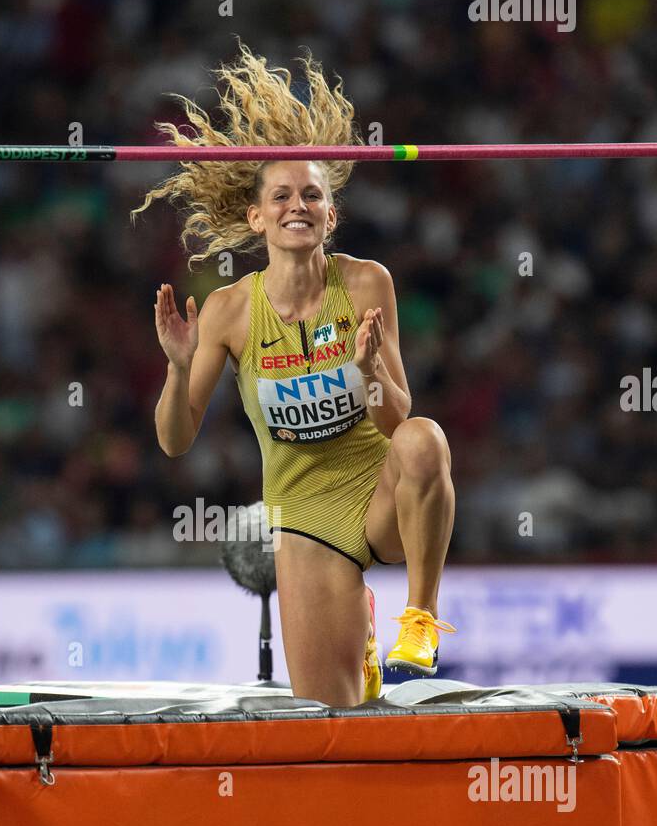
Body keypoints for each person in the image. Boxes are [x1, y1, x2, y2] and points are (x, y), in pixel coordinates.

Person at [137, 41, 456, 707]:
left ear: (330, 214)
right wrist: (174, 368)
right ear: (256, 217)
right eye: (281, 195)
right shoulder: (228, 312)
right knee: (336, 715)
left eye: (312, 194)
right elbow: (173, 441)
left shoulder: (368, 283)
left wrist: (369, 370)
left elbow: (398, 424)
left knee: (426, 437)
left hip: (380, 500)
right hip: (305, 517)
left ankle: (419, 620)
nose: (297, 204)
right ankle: (359, 641)